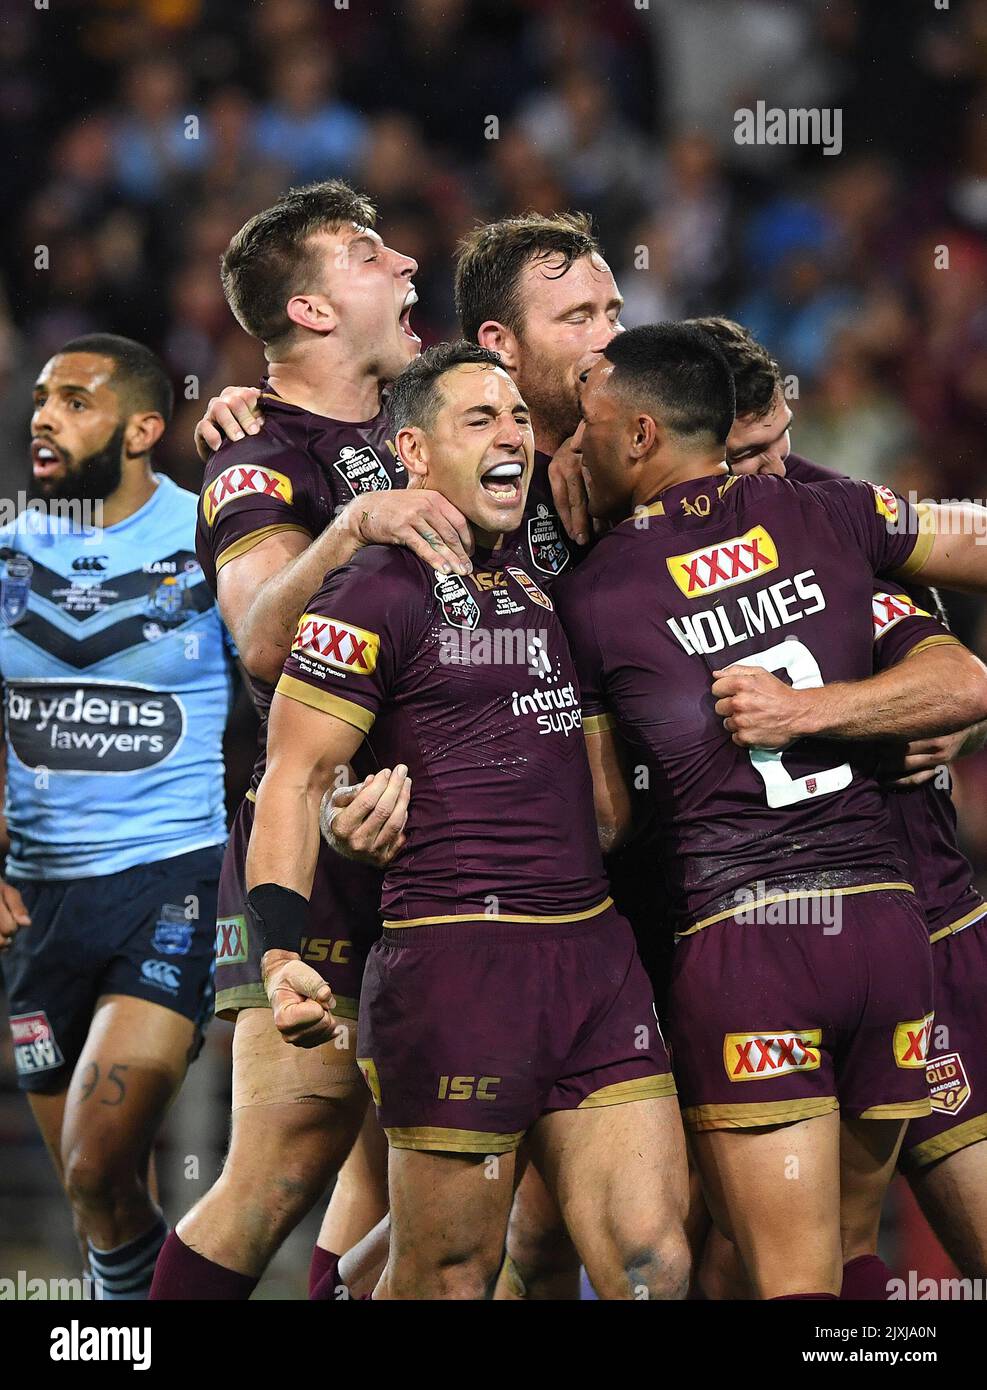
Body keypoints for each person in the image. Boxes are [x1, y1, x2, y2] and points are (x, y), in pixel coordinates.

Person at [249, 340, 689, 1300]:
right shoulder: (372, 592)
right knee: (448, 1273)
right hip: (455, 967)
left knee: (652, 1259)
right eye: (479, 420)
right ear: (411, 452)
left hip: (591, 957)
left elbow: (605, 800)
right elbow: (290, 777)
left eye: (519, 419)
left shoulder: (534, 578)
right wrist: (280, 953)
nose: (513, 437)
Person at [555, 322, 987, 1299]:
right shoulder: (832, 519)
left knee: (790, 1285)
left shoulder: (590, 595)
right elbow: (970, 553)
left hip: (749, 944)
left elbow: (607, 819)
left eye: (589, 424)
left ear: (640, 435)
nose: (573, 443)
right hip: (885, 927)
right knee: (843, 1250)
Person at [150, 180, 472, 1300]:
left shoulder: (423, 423)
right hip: (322, 851)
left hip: (459, 842)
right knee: (282, 1170)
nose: (406, 267)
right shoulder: (258, 455)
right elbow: (254, 637)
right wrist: (348, 523)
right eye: (369, 253)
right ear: (315, 310)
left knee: (432, 1174)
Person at [0, 334, 231, 1299]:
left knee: (98, 1161)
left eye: (77, 400)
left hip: (171, 878)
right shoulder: (9, 544)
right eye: (43, 397)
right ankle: (123, 1324)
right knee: (96, 1197)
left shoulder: (212, 535)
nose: (45, 415)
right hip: (38, 898)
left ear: (144, 427)